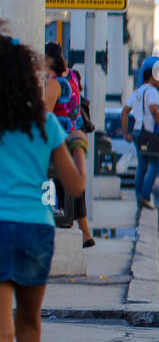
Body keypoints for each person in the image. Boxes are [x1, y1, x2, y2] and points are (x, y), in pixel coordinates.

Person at [0, 31, 86, 342]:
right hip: (36, 228)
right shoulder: (45, 122)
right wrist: (79, 149)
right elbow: (74, 187)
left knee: (0, 335)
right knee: (30, 326)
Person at [43, 45, 93, 248]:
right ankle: (85, 232)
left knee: (59, 182)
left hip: (60, 138)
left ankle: (70, 222)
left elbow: (45, 113)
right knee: (75, 186)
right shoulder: (72, 75)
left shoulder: (54, 84)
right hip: (75, 136)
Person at [122, 59, 159, 210]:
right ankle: (144, 195)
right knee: (155, 165)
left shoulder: (137, 92)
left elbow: (125, 112)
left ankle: (138, 196)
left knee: (142, 165)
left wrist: (126, 132)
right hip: (148, 133)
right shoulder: (152, 92)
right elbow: (154, 109)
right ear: (151, 78)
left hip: (137, 132)